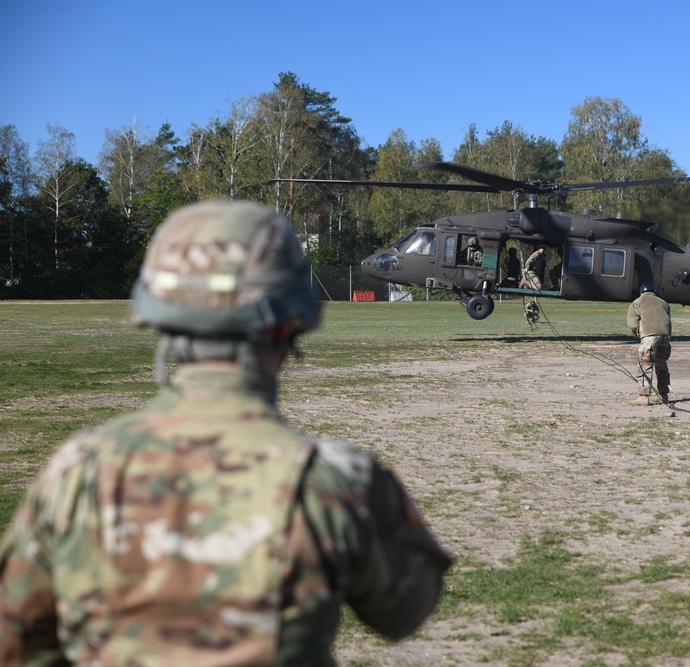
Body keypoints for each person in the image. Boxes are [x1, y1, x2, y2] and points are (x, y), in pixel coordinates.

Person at [0, 200, 451, 666]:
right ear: (292, 323)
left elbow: (18, 642)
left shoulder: (78, 470)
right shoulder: (338, 481)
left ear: (160, 315)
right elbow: (407, 609)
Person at [626, 281, 673, 408]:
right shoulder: (663, 302)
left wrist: (638, 334)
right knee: (661, 365)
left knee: (645, 364)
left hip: (649, 335)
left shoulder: (638, 302)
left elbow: (632, 323)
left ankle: (644, 397)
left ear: (641, 292)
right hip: (664, 335)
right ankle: (663, 395)